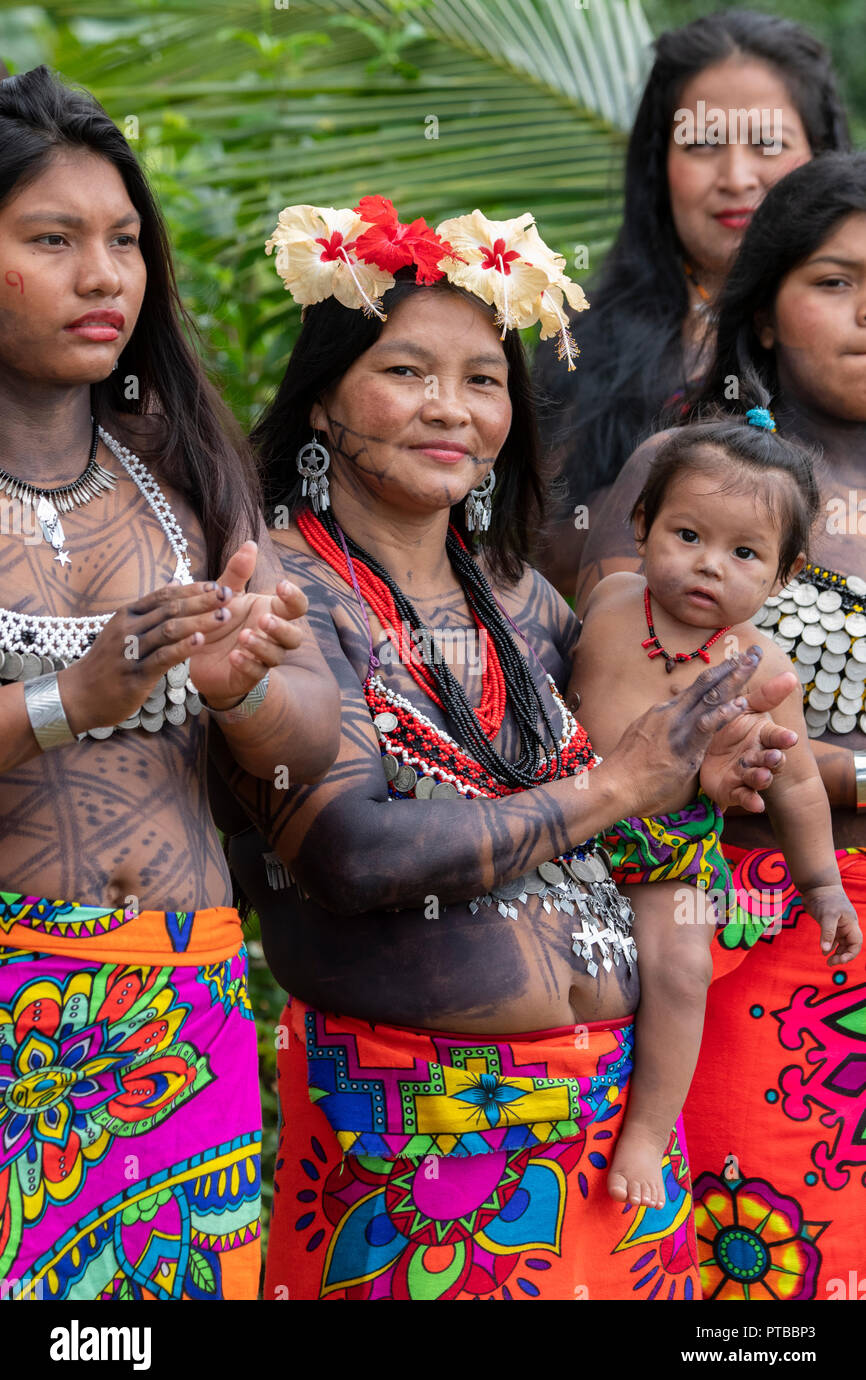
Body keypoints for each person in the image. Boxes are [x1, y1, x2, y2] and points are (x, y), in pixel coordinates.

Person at [210, 195, 799, 1301]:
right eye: (406, 372)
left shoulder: (521, 597)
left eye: (483, 379)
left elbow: (645, 767)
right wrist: (616, 783)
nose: (453, 409)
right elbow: (352, 857)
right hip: (416, 1148)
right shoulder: (285, 595)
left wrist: (697, 773)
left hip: (613, 1137)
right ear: (325, 403)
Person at [0, 67, 339, 1301]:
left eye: (126, 241)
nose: (106, 276)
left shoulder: (182, 469)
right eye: (54, 239)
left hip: (181, 1001)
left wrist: (243, 683)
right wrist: (67, 702)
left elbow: (308, 740)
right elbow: (76, 699)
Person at [575, 151, 866, 1299]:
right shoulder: (683, 469)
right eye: (835, 280)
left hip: (820, 899)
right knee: (747, 1250)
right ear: (762, 304)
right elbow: (604, 688)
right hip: (726, 915)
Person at [569, 414, 860, 1212]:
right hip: (565, 824)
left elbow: (798, 784)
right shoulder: (610, 602)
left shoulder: (761, 663)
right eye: (688, 534)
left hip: (670, 848)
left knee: (682, 969)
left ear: (784, 573)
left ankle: (646, 1133)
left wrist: (822, 886)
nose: (708, 566)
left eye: (743, 554)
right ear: (642, 525)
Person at [533, 8, 848, 596]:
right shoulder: (583, 344)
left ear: (823, 154)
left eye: (768, 143)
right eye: (702, 144)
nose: (736, 176)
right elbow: (528, 562)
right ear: (660, 164)